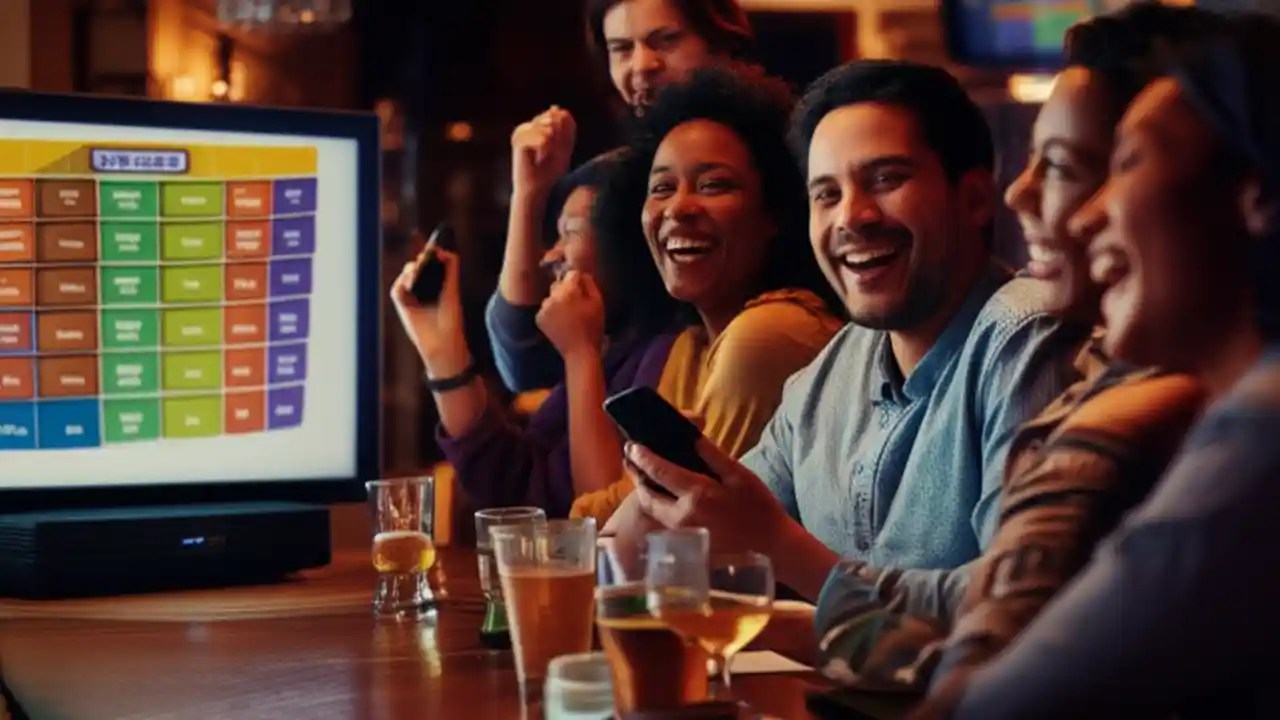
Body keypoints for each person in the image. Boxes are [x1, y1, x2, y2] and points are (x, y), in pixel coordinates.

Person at [811, 1, 1220, 697]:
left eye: (1063, 164)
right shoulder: (1101, 385)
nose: (1021, 193)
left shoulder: (1123, 407)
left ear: (1241, 196)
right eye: (824, 194)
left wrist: (807, 591)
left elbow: (1001, 673)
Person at [920, 14, 1280, 718]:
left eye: (1129, 164)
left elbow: (979, 709)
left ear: (1256, 193)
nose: (1086, 219)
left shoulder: (1259, 431)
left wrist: (1086, 446)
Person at [616, 60, 1083, 602]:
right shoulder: (826, 376)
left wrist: (780, 546)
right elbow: (674, 565)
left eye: (886, 180)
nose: (852, 218)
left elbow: (1012, 611)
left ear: (975, 198)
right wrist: (658, 486)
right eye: (826, 194)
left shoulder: (1027, 340)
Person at [568, 67, 845, 523]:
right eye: (661, 188)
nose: (678, 208)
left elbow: (671, 528)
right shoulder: (692, 346)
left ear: (775, 213)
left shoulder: (769, 335)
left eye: (714, 185)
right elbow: (619, 511)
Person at [487, 0, 756, 394]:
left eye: (665, 40)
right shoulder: (604, 183)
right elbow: (526, 364)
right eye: (622, 49)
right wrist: (530, 193)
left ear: (721, 43)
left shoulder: (786, 156)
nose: (642, 65)